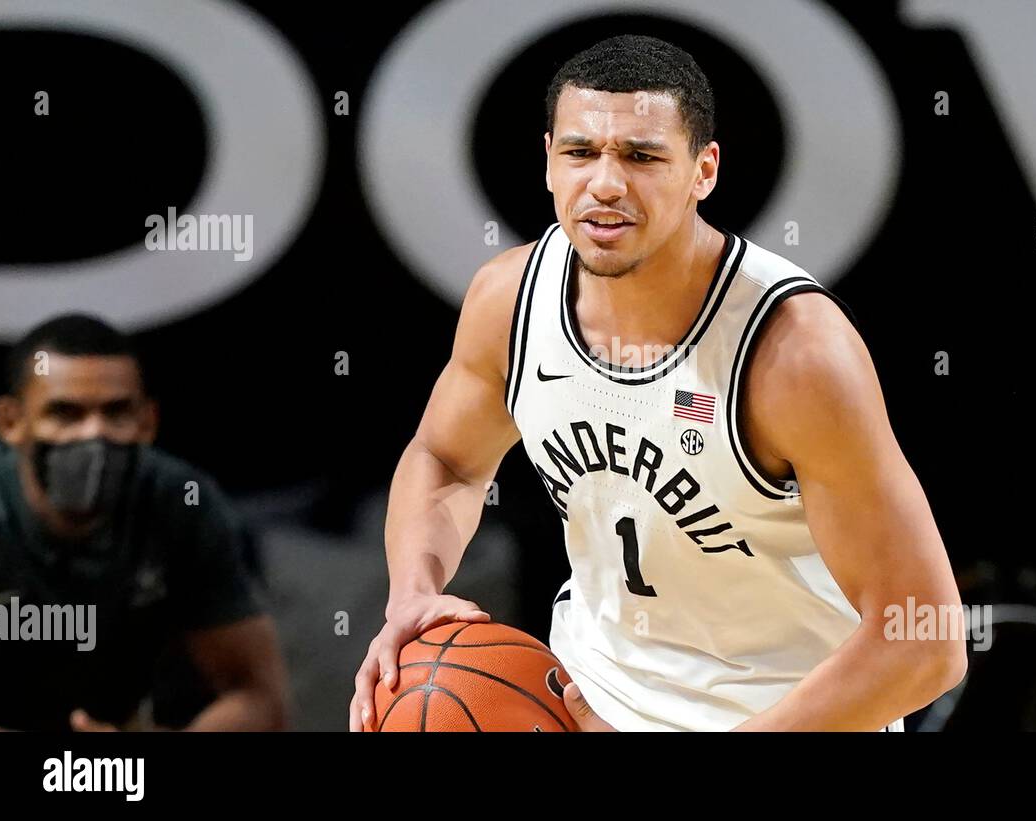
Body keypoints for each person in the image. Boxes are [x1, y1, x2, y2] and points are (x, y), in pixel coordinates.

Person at [352, 35, 965, 731]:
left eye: (642, 156)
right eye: (580, 153)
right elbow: (446, 460)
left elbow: (924, 640)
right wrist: (412, 593)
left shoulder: (795, 355)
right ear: (548, 158)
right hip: (589, 699)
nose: (606, 184)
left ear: (704, 170)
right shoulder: (509, 300)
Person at [0, 314, 287, 731]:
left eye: (117, 412)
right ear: (11, 421)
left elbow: (258, 696)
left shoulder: (181, 503)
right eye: (65, 413)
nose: (94, 434)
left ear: (147, 421)